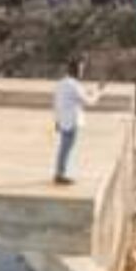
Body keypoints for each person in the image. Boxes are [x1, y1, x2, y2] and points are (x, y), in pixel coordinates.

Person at [51, 56, 97, 185]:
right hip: (71, 122)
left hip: (63, 121)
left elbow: (57, 103)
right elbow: (89, 102)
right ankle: (60, 174)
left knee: (64, 148)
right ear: (75, 70)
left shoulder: (61, 83)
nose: (82, 72)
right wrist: (98, 92)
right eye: (81, 69)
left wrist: (57, 120)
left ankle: (61, 173)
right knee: (66, 148)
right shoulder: (75, 86)